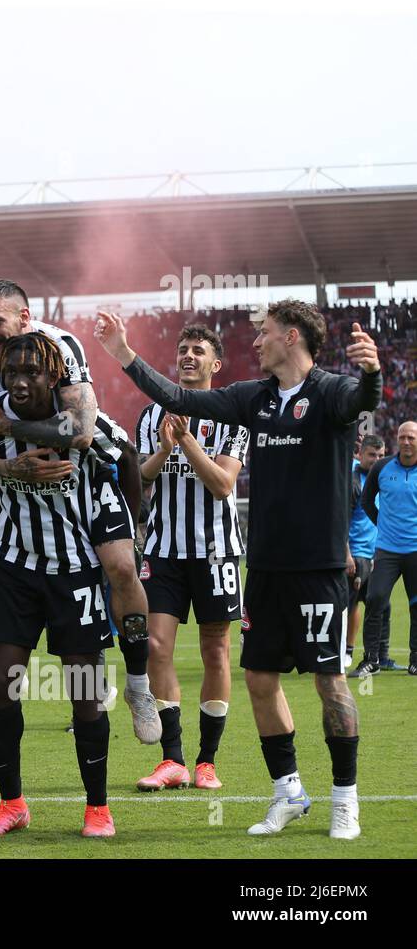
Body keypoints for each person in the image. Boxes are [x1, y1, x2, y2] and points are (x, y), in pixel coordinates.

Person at [97, 299, 382, 840]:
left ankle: (345, 798)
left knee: (330, 682)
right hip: (266, 568)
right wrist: (125, 354)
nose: (256, 342)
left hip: (319, 566)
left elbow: (365, 397)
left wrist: (371, 370)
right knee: (258, 678)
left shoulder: (332, 390)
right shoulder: (255, 398)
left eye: (265, 333)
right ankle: (288, 792)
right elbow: (177, 397)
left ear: (292, 337)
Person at [0, 280, 158, 744]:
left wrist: (136, 525)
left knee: (122, 567)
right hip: (12, 483)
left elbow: (90, 436)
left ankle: (139, 686)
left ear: (24, 318)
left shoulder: (60, 348)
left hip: (86, 485)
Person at [0, 332, 131, 839]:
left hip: (75, 567)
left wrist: (136, 525)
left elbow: (123, 455)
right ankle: (12, 803)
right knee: (2, 683)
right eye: (11, 371)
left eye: (31, 372)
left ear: (54, 374)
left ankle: (98, 808)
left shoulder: (78, 417)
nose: (19, 380)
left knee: (83, 691)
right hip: (15, 566)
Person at [134, 325, 249, 792]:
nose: (187, 355)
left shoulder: (232, 418)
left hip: (216, 551)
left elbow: (223, 485)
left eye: (198, 351)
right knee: (156, 647)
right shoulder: (150, 415)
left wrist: (185, 442)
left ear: (214, 365)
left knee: (215, 651)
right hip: (162, 550)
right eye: (182, 349)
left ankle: (207, 761)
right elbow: (140, 479)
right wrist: (163, 448)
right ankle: (173, 758)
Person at [359, 420, 417, 676]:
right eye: (402, 437)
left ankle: (416, 659)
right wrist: (381, 524)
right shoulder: (382, 467)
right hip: (387, 550)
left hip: (415, 550)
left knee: (416, 604)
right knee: (375, 599)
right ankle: (371, 660)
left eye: (411, 438)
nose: (405, 442)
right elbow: (366, 499)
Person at [345, 434, 388, 674]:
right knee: (350, 606)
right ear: (359, 454)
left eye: (381, 456)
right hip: (357, 554)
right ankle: (347, 651)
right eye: (371, 455)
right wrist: (347, 553)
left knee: (382, 606)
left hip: (378, 553)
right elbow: (343, 521)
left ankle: (381, 656)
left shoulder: (385, 476)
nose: (376, 460)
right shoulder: (351, 479)